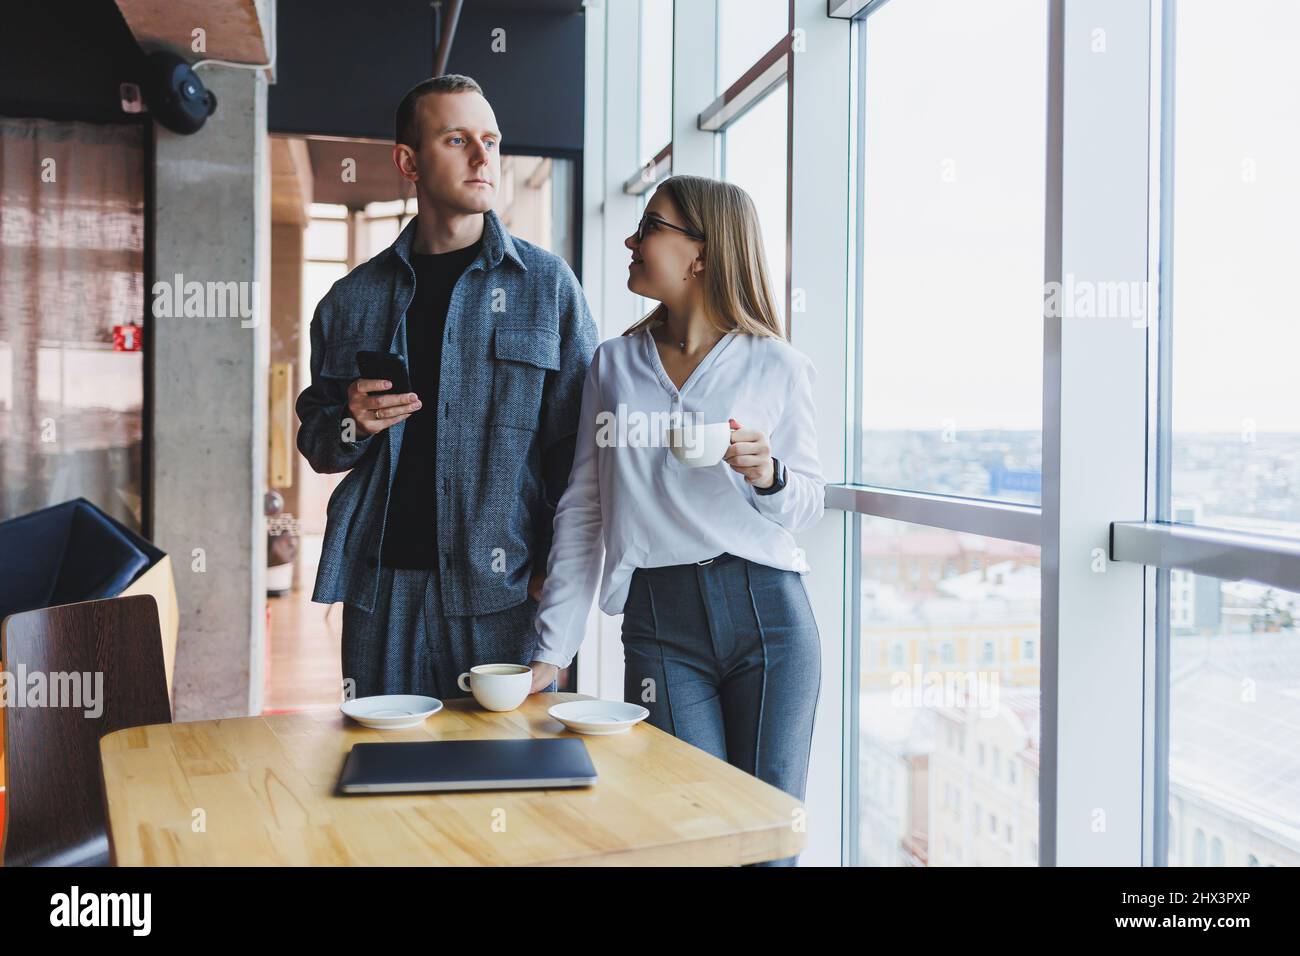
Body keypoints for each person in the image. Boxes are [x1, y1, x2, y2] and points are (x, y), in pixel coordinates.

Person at [532, 174, 825, 865]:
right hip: (660, 625)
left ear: (702, 253)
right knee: (684, 833)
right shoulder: (612, 366)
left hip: (767, 615)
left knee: (767, 838)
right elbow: (584, 509)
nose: (632, 241)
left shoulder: (777, 365)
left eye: (651, 227)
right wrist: (553, 649)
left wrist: (768, 473)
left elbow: (807, 503)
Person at [295, 74, 597, 701]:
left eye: (491, 139)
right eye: (458, 139)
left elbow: (580, 452)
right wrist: (353, 420)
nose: (483, 157)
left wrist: (554, 579)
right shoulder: (350, 301)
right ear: (408, 160)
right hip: (381, 593)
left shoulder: (548, 287)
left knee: (508, 781)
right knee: (383, 777)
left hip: (503, 592)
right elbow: (321, 443)